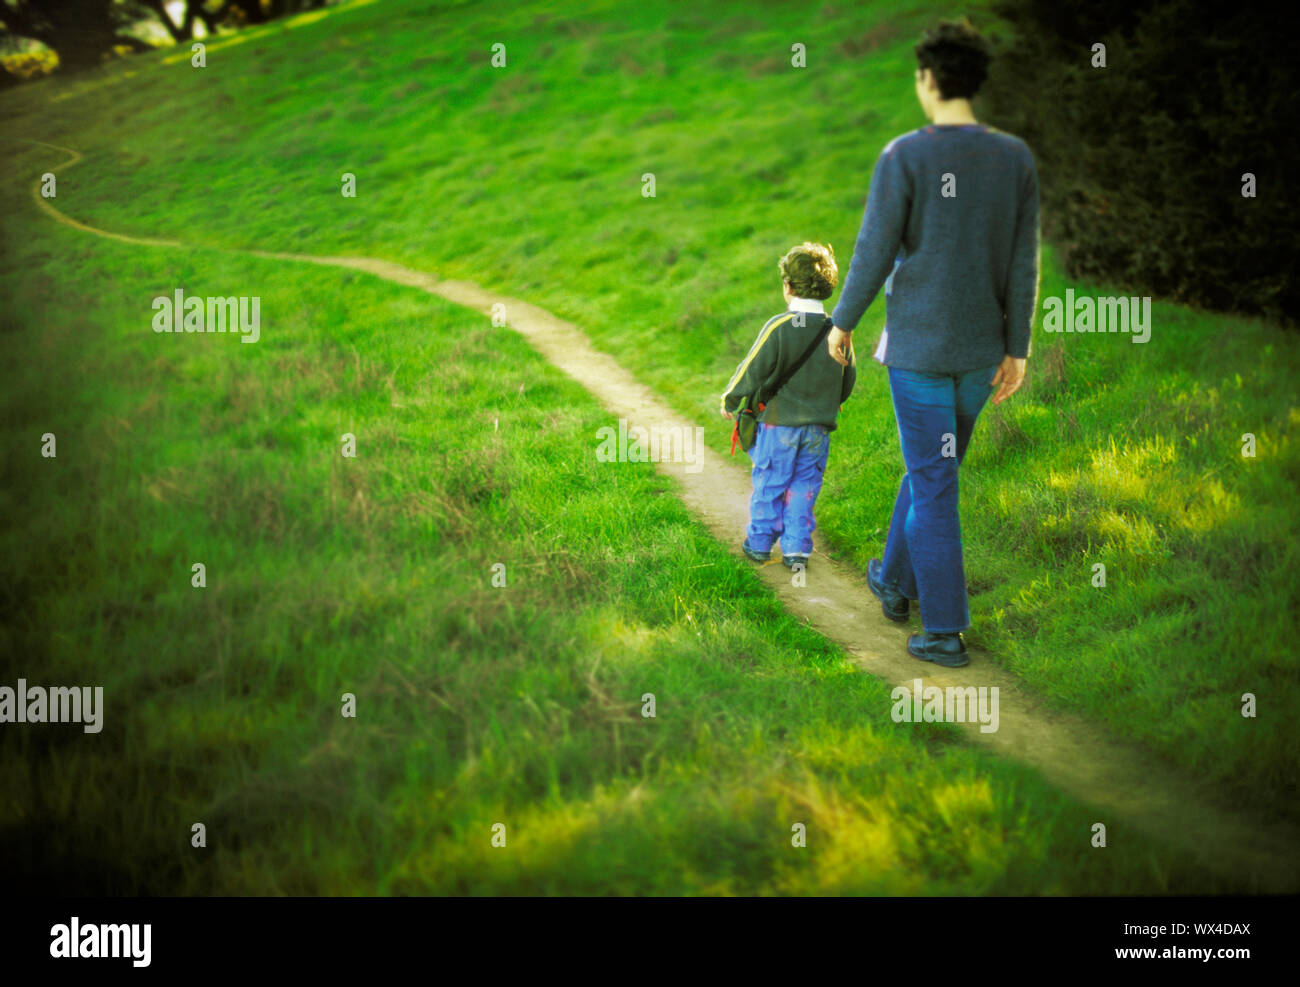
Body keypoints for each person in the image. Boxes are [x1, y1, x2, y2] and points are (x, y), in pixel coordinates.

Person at [825, 19, 1040, 668]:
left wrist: (842, 320)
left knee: (934, 484)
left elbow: (872, 249)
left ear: (927, 79)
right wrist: (1017, 348)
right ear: (974, 81)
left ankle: (944, 630)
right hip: (980, 356)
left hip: (920, 353)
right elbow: (1022, 263)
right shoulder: (1014, 158)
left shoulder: (905, 156)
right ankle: (893, 583)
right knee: (933, 473)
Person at [721, 243, 856, 571]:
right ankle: (797, 550)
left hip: (779, 425)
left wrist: (731, 398)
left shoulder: (780, 326)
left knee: (771, 482)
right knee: (804, 487)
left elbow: (752, 367)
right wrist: (830, 401)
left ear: (788, 286)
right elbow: (848, 377)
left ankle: (760, 544)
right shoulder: (837, 330)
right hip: (818, 429)